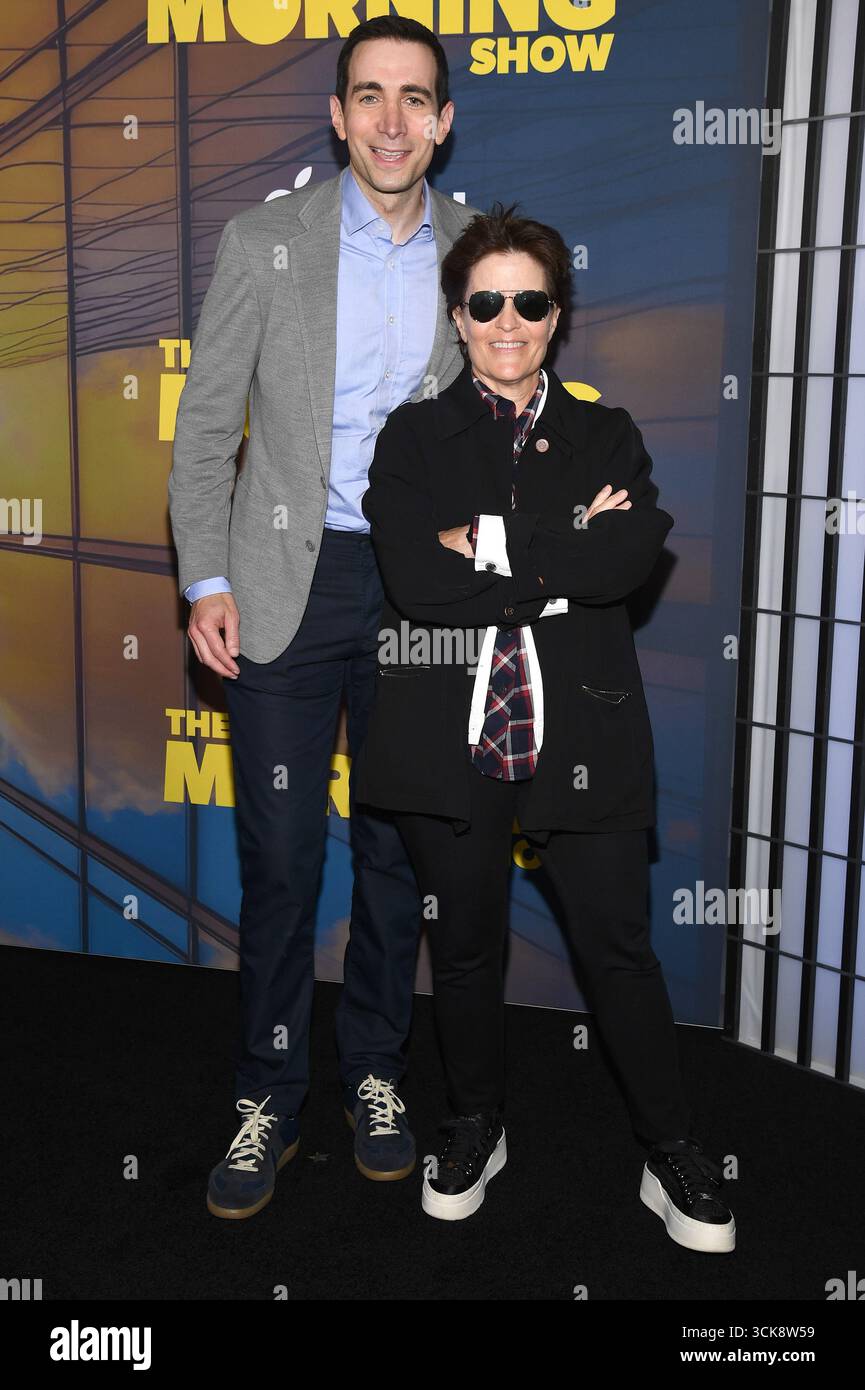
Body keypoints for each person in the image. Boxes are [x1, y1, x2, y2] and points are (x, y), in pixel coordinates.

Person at [353, 203, 736, 1253]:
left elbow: (626, 557)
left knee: (619, 952)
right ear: (458, 315)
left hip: (585, 741)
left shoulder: (604, 429)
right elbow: (414, 582)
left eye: (529, 300)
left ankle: (671, 1151)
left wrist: (481, 538)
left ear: (556, 315)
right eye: (486, 302)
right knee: (464, 952)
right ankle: (474, 1121)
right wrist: (558, 552)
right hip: (447, 741)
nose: (507, 320)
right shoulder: (411, 435)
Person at [168, 16, 484, 1219]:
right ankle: (266, 1093)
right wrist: (207, 581)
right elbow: (205, 431)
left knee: (399, 858)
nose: (393, 121)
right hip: (283, 589)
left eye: (416, 99)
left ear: (444, 120)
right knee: (284, 860)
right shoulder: (266, 243)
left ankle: (375, 1076)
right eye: (370, 97)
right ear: (339, 115)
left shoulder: (478, 251)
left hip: (420, 596)